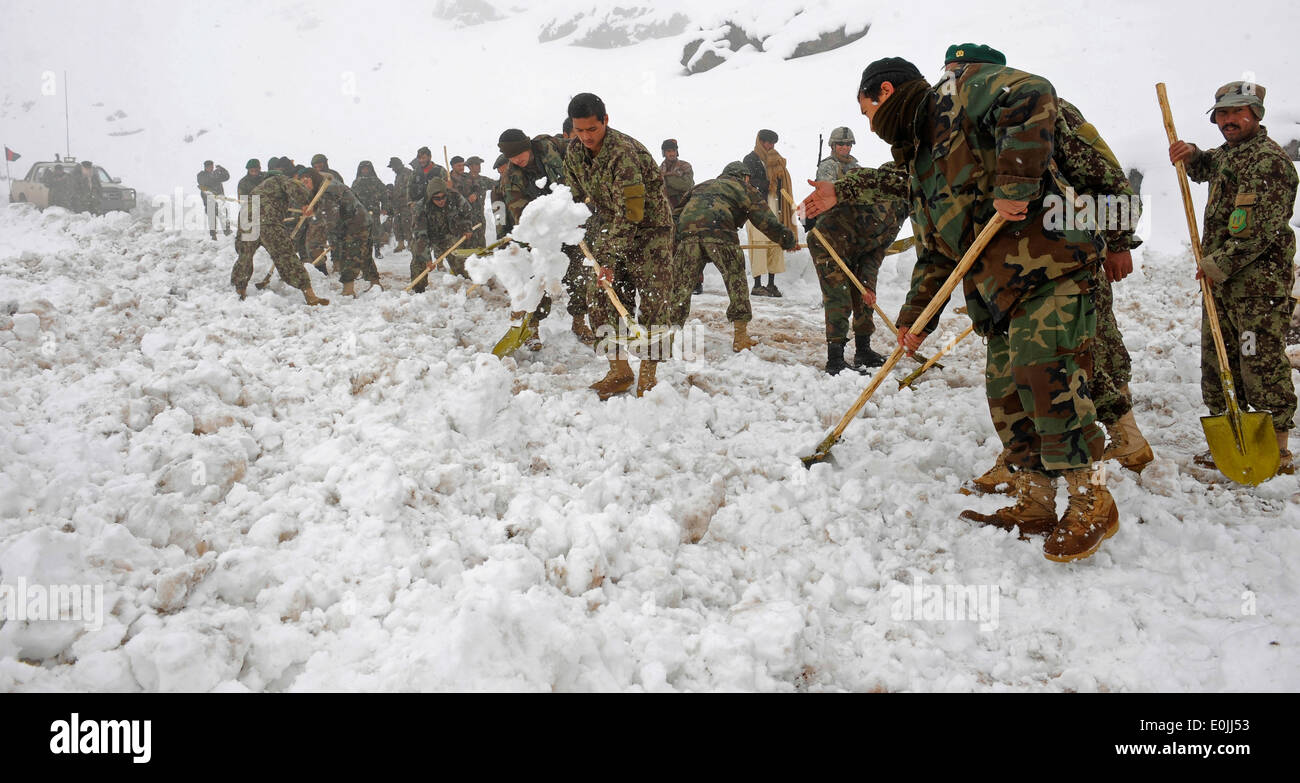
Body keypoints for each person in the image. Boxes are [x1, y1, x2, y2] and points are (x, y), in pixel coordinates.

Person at [805, 53, 1115, 563]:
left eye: (866, 111)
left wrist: (1016, 183)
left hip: (1049, 267)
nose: (869, 125)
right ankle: (1034, 499)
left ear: (884, 92)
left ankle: (1091, 499)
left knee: (1049, 380)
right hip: (997, 290)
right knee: (1007, 394)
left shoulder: (960, 92)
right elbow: (936, 252)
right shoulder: (920, 158)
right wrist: (914, 320)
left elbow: (1032, 92)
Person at [1170, 79, 1299, 476]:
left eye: (1235, 113)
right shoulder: (1231, 154)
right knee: (1218, 361)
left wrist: (1216, 264)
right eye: (1221, 115)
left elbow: (1261, 230)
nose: (1227, 121)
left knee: (1257, 362)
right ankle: (1234, 434)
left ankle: (1277, 449)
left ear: (1255, 115)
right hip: (1223, 284)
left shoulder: (1270, 162)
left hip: (1257, 288)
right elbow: (1209, 165)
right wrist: (1192, 154)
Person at [563, 92, 677, 398]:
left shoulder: (623, 153)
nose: (585, 136)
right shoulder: (574, 152)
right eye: (579, 130)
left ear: (605, 121)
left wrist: (610, 261)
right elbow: (575, 196)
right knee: (600, 296)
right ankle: (619, 371)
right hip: (609, 226)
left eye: (592, 129)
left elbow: (632, 213)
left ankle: (649, 377)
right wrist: (571, 220)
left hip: (650, 230)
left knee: (654, 301)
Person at [809, 126, 907, 374]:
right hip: (830, 240)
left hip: (861, 248)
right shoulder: (867, 186)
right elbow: (845, 189)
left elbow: (879, 247)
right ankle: (835, 360)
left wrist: (868, 283)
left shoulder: (902, 208)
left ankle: (863, 350)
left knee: (865, 296)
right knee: (839, 298)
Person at [673, 161, 795, 352]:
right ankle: (740, 337)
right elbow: (765, 220)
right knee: (736, 280)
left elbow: (676, 214)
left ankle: (667, 336)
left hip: (688, 234)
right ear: (745, 177)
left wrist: (677, 241)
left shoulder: (702, 185)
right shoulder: (744, 188)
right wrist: (787, 239)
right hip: (720, 233)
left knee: (679, 287)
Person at [498, 128, 593, 346]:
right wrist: (545, 228)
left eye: (519, 154)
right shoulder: (512, 178)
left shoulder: (553, 147)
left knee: (580, 274)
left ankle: (579, 321)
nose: (517, 160)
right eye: (511, 157)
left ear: (528, 146)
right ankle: (532, 327)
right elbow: (521, 214)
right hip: (544, 232)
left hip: (572, 221)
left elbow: (584, 156)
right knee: (539, 278)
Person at [232, 159, 329, 306]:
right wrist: (306, 203)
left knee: (245, 256)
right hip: (267, 221)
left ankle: (240, 289)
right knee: (286, 256)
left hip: (246, 219)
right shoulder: (279, 179)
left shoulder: (258, 188)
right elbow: (295, 188)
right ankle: (309, 294)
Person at [742, 129, 796, 297]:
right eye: (767, 142)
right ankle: (757, 284)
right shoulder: (750, 159)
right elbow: (747, 183)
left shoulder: (777, 160)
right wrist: (768, 183)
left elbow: (783, 181)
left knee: (775, 243)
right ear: (760, 141)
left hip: (776, 206)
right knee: (758, 244)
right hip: (757, 209)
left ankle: (771, 284)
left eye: (772, 143)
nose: (770, 146)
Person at [313, 172, 382, 297]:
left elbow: (331, 219)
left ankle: (348, 290)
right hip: (360, 220)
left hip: (355, 223)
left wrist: (327, 237)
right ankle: (375, 283)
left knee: (351, 254)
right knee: (364, 253)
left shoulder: (328, 189)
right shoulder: (327, 185)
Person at [409, 178, 475, 293]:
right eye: (436, 198)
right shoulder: (420, 207)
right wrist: (427, 259)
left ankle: (467, 282)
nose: (441, 201)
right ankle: (418, 289)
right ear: (430, 197)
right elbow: (421, 235)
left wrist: (467, 228)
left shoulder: (455, 197)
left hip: (448, 235)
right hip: (427, 236)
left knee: (459, 258)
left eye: (443, 197)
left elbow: (467, 213)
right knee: (418, 256)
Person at [351, 160, 387, 260]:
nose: (365, 170)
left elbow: (384, 194)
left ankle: (377, 251)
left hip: (374, 210)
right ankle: (363, 252)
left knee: (375, 231)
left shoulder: (376, 181)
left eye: (367, 168)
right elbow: (351, 197)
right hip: (360, 211)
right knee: (361, 232)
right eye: (363, 168)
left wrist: (385, 207)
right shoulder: (356, 182)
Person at [197, 160, 231, 238]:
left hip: (219, 198)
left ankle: (227, 232)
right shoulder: (201, 175)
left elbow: (226, 177)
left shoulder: (215, 174)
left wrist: (222, 169)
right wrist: (215, 175)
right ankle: (213, 235)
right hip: (209, 198)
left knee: (224, 214)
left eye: (212, 166)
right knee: (212, 216)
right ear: (205, 167)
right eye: (209, 167)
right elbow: (203, 182)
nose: (211, 168)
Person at [387, 156, 413, 252]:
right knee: (397, 224)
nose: (393, 169)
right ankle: (400, 244)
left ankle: (410, 242)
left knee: (407, 223)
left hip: (406, 203)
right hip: (397, 204)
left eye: (393, 167)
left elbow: (408, 188)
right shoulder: (398, 175)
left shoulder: (407, 173)